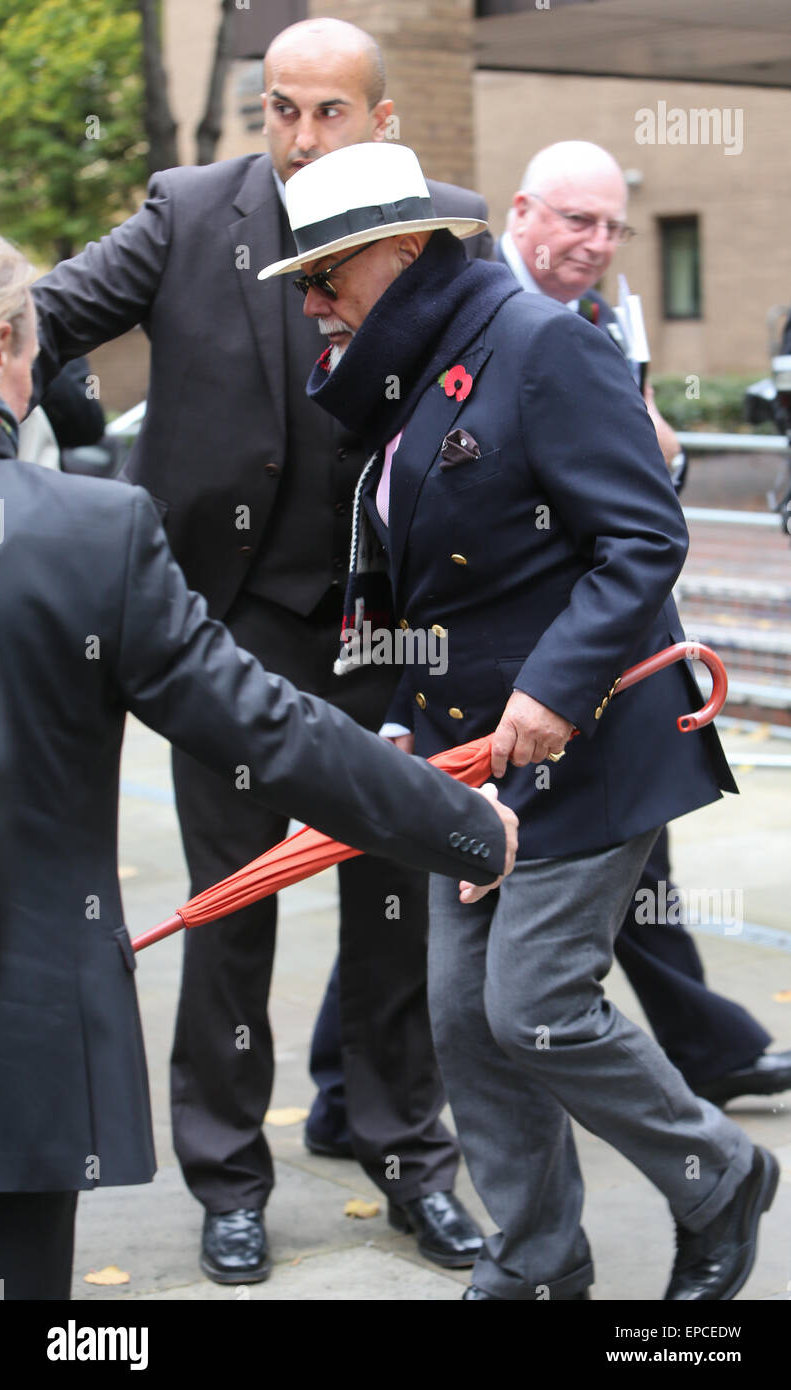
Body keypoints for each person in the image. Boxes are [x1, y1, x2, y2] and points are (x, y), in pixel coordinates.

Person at [260, 140, 779, 1301]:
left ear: (398, 253)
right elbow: (443, 584)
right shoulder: (416, 363)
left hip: (588, 748)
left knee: (532, 1005)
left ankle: (718, 1173)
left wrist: (550, 688)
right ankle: (538, 1260)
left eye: (324, 273)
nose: (310, 301)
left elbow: (641, 539)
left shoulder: (541, 343)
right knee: (463, 1017)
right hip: (468, 760)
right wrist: (401, 716)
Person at [30, 17, 493, 1282]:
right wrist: (45, 424)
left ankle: (412, 1159)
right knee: (233, 918)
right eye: (280, 110)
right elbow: (45, 312)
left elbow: (502, 385)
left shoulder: (445, 225)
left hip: (395, 634)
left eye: (327, 112)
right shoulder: (189, 212)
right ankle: (229, 1181)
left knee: (399, 904)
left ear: (382, 121)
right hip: (226, 630)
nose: (298, 137)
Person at [496, 140, 791, 1106]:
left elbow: (644, 490)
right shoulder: (481, 318)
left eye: (616, 228)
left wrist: (659, 452)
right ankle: (356, 1088)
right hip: (510, 663)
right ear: (523, 211)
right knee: (458, 896)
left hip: (611, 649)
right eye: (579, 221)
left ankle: (707, 1046)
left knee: (632, 853)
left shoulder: (595, 317)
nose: (599, 243)